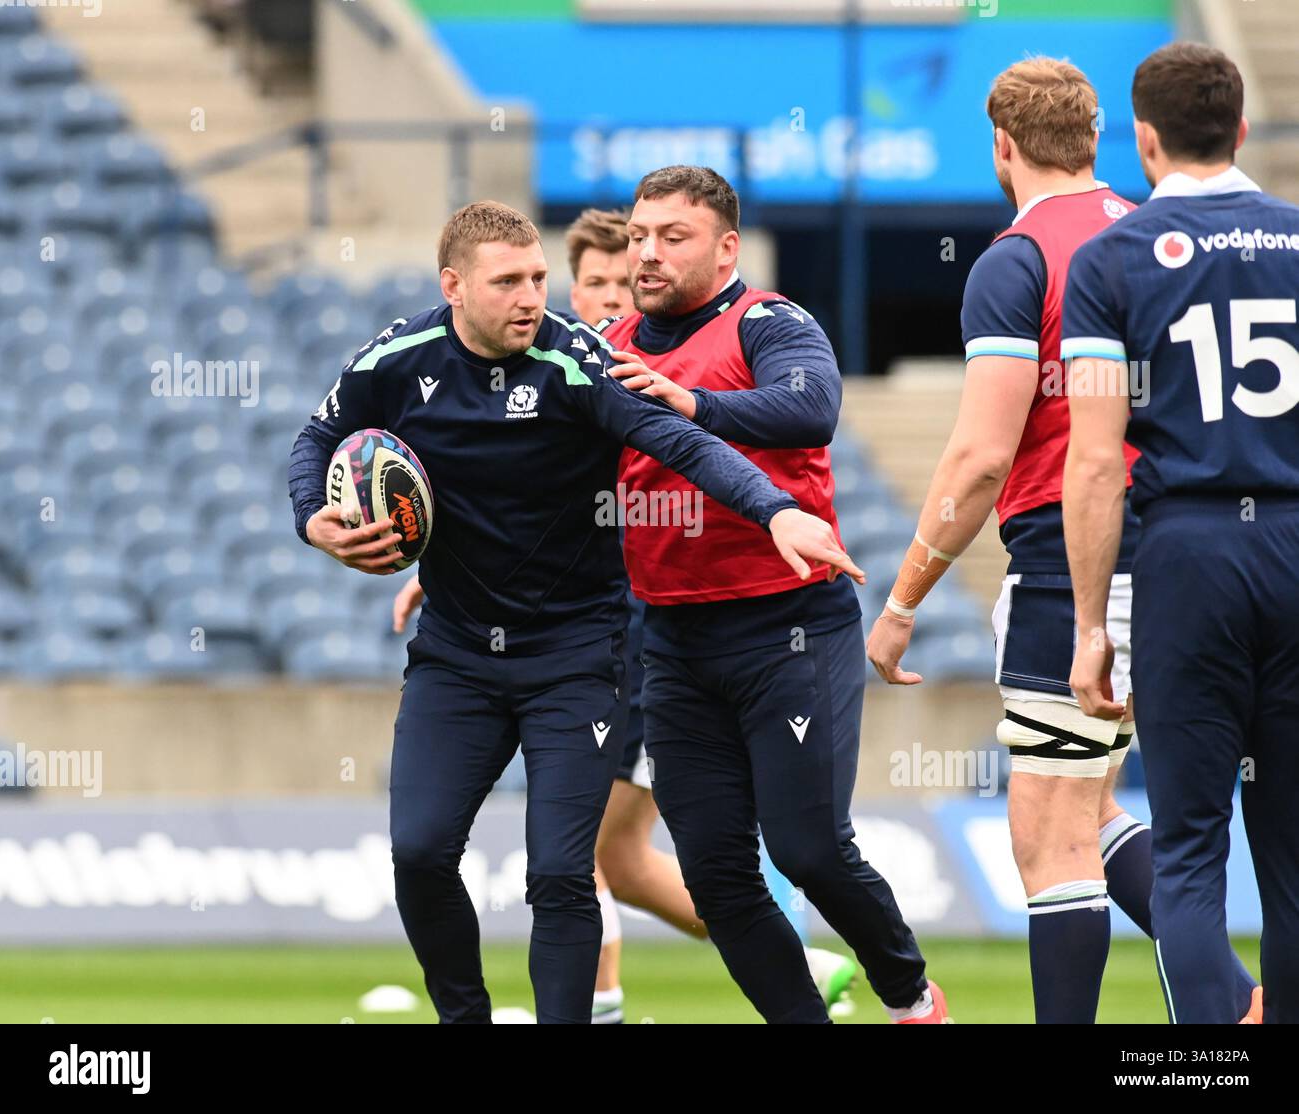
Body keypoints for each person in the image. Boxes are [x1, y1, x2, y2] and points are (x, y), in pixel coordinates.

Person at [288, 200, 861, 1024]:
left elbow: (685, 443)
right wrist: (316, 520)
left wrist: (774, 509)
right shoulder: (397, 357)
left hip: (575, 659)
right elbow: (316, 439)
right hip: (456, 656)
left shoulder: (577, 360)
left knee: (560, 873)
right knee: (418, 853)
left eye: (538, 279)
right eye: (507, 282)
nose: (531, 297)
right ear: (453, 287)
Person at [864, 56, 1260, 1023]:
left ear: (1003, 147)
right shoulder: (1154, 234)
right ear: (1103, 140)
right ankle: (1237, 1008)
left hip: (1070, 568)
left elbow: (980, 460)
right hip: (1194, 554)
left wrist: (905, 598)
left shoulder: (1017, 258)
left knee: (1048, 835)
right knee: (1096, 810)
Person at [604, 165, 948, 1024]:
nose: (648, 252)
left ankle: (910, 997)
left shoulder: (769, 321)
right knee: (718, 877)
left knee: (809, 850)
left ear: (726, 247)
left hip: (787, 628)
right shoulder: (609, 345)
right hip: (676, 644)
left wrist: (692, 402)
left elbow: (811, 407)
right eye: (639, 235)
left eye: (671, 237)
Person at [1062, 41, 1298, 1024]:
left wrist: (1089, 623)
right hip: (1292, 540)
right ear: (1242, 130)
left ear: (1142, 141)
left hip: (1187, 553)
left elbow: (1091, 459)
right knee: (1290, 857)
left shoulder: (1109, 259)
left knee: (1192, 849)